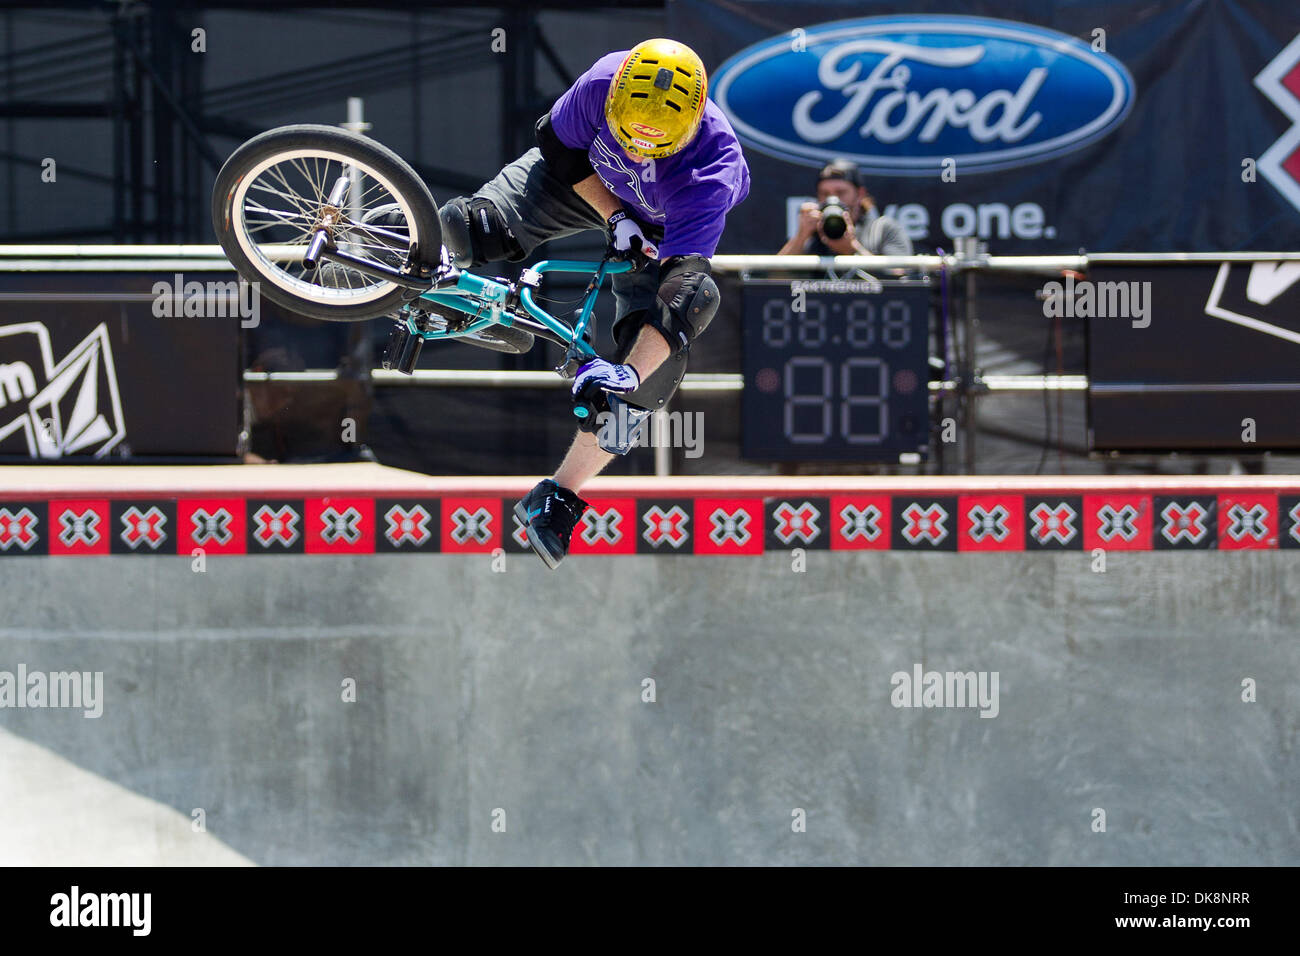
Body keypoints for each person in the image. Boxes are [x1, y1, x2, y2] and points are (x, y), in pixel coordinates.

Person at [438, 38, 749, 569]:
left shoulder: (711, 171)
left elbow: (686, 286)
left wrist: (626, 375)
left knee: (651, 374)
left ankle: (560, 495)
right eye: (628, 138)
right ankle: (409, 269)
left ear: (693, 123)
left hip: (660, 233)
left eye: (655, 148)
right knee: (473, 228)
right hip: (584, 186)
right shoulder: (605, 81)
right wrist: (613, 216)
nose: (639, 153)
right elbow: (558, 151)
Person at [777, 159, 912, 258]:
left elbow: (901, 279)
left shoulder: (883, 229)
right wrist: (801, 237)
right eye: (825, 193)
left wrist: (852, 250)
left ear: (860, 194)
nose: (832, 199)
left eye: (841, 192)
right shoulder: (812, 235)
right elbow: (773, 280)